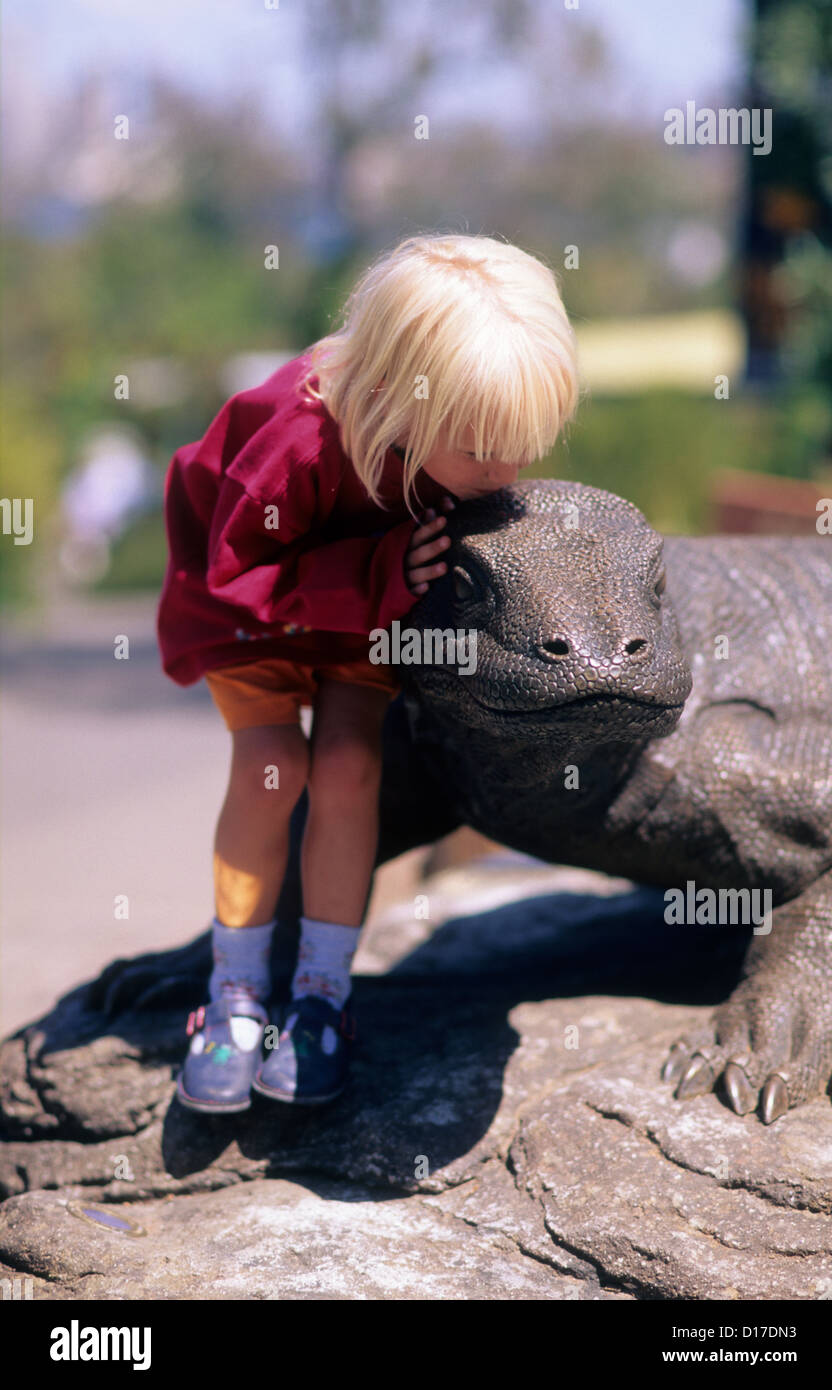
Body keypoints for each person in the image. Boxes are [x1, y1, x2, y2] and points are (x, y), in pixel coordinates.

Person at [156, 232, 579, 1112]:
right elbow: (242, 576)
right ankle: (232, 996)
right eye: (479, 450)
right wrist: (378, 569)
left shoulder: (451, 453)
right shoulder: (295, 439)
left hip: (364, 606)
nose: (502, 476)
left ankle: (320, 998)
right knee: (274, 772)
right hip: (254, 608)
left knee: (350, 767)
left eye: (519, 446)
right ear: (396, 397)